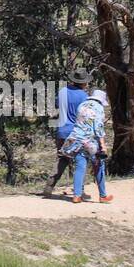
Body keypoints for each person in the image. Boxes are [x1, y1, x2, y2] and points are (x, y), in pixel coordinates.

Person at [41, 67, 92, 198]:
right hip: (76, 132)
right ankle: (79, 191)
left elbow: (57, 105)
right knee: (80, 160)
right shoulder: (84, 96)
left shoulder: (63, 91)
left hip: (62, 130)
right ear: (83, 83)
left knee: (62, 159)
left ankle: (49, 186)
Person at [63, 88, 113, 203]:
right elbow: (98, 127)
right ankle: (103, 195)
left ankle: (77, 195)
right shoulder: (98, 108)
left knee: (80, 166)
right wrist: (103, 145)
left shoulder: (82, 105)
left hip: (77, 139)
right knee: (99, 165)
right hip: (91, 141)